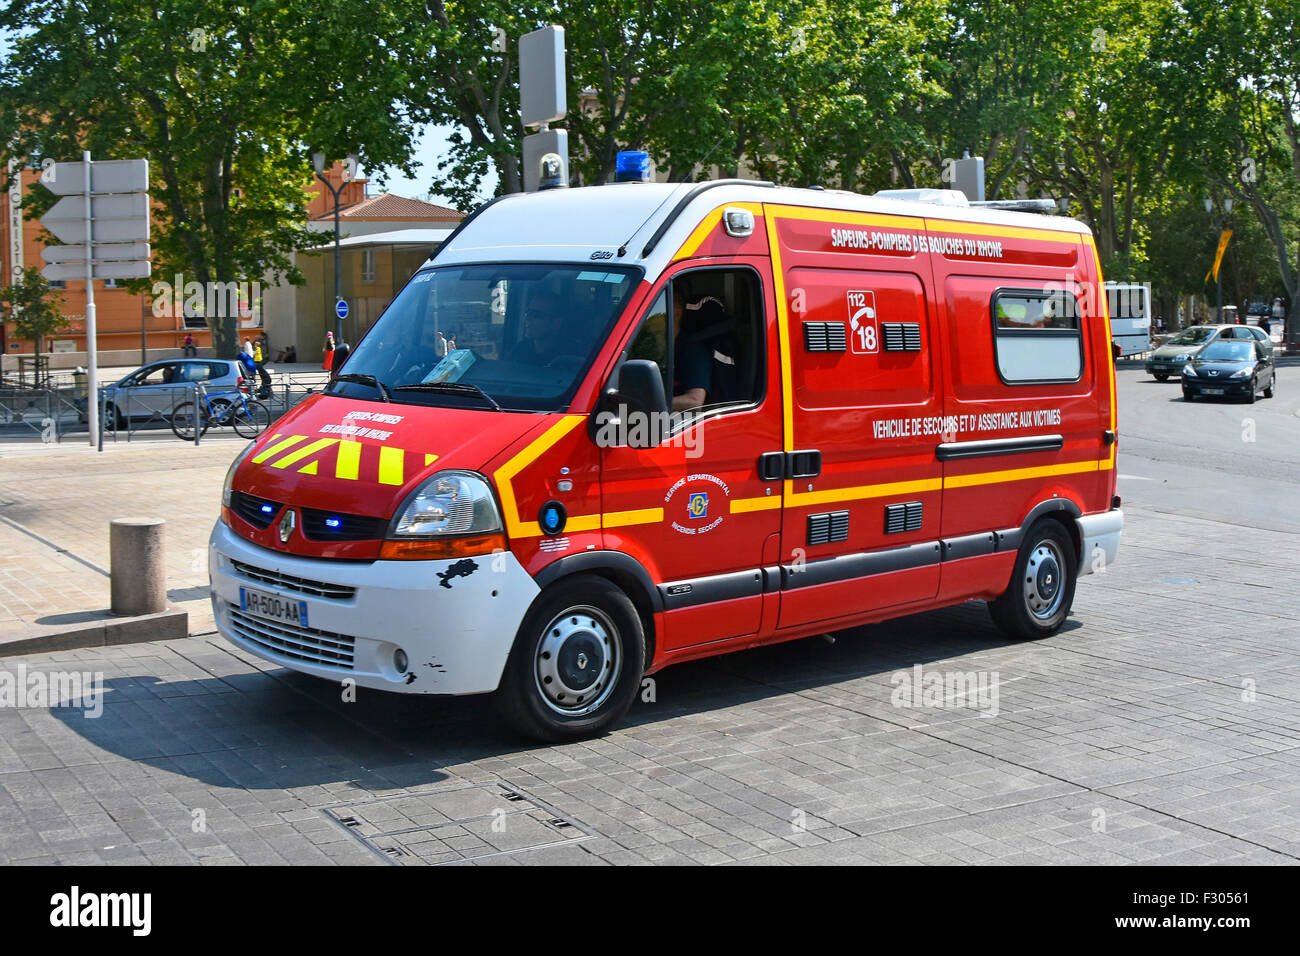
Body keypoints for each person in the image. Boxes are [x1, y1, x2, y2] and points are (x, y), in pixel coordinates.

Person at [516, 296, 566, 363]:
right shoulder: (520, 350)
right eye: (528, 313)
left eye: (536, 315)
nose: (528, 318)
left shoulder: (569, 357)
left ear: (556, 323)